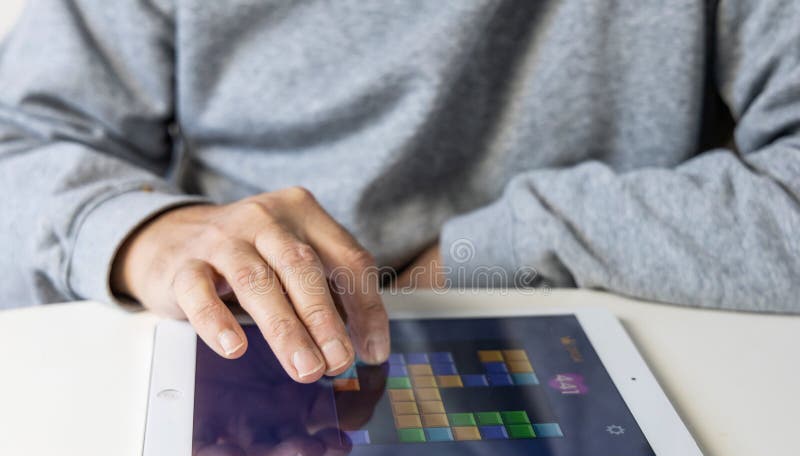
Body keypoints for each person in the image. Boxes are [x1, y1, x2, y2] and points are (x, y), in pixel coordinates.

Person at [1, 1, 798, 383]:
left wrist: (505, 247)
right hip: (249, 353)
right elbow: (20, 147)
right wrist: (150, 235)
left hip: (621, 354)